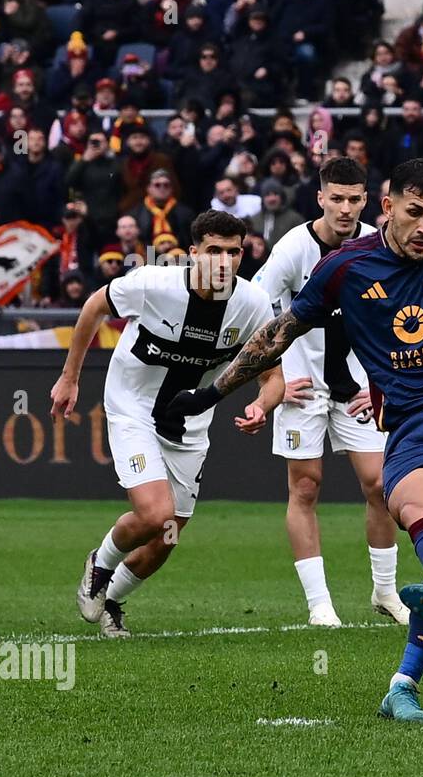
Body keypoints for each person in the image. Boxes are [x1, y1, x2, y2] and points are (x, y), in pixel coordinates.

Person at [163, 159, 423, 723]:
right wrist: (213, 392)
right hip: (407, 420)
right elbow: (280, 333)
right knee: (418, 507)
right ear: (388, 208)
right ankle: (407, 672)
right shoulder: (346, 267)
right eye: (415, 212)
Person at [49, 211, 276, 637]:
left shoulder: (253, 304)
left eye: (233, 253)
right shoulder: (154, 283)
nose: (223, 262)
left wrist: (263, 404)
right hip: (132, 405)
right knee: (155, 513)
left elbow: (272, 374)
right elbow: (95, 304)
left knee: (167, 535)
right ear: (193, 254)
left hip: (188, 427)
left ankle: (112, 599)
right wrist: (70, 376)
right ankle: (100, 562)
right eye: (213, 252)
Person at [240, 157, 407, 628]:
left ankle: (385, 593)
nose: (346, 208)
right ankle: (320, 606)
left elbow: (398, 319)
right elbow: (255, 307)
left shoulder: (381, 244)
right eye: (337, 198)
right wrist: (273, 376)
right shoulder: (294, 247)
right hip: (302, 386)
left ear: (368, 200)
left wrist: (381, 382)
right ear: (320, 199)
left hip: (356, 387)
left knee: (380, 485)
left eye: (355, 199)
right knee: (306, 486)